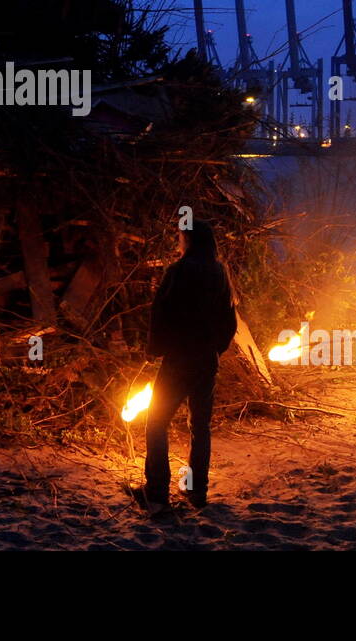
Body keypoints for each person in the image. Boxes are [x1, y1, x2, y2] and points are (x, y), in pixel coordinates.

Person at [134, 220, 237, 517]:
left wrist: (153, 351)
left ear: (189, 240)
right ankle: (197, 491)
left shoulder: (178, 272)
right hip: (206, 362)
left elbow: (160, 314)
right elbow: (228, 322)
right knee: (200, 427)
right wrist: (215, 349)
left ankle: (156, 493)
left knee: (156, 422)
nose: (178, 243)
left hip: (178, 360)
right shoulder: (220, 274)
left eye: (181, 238)